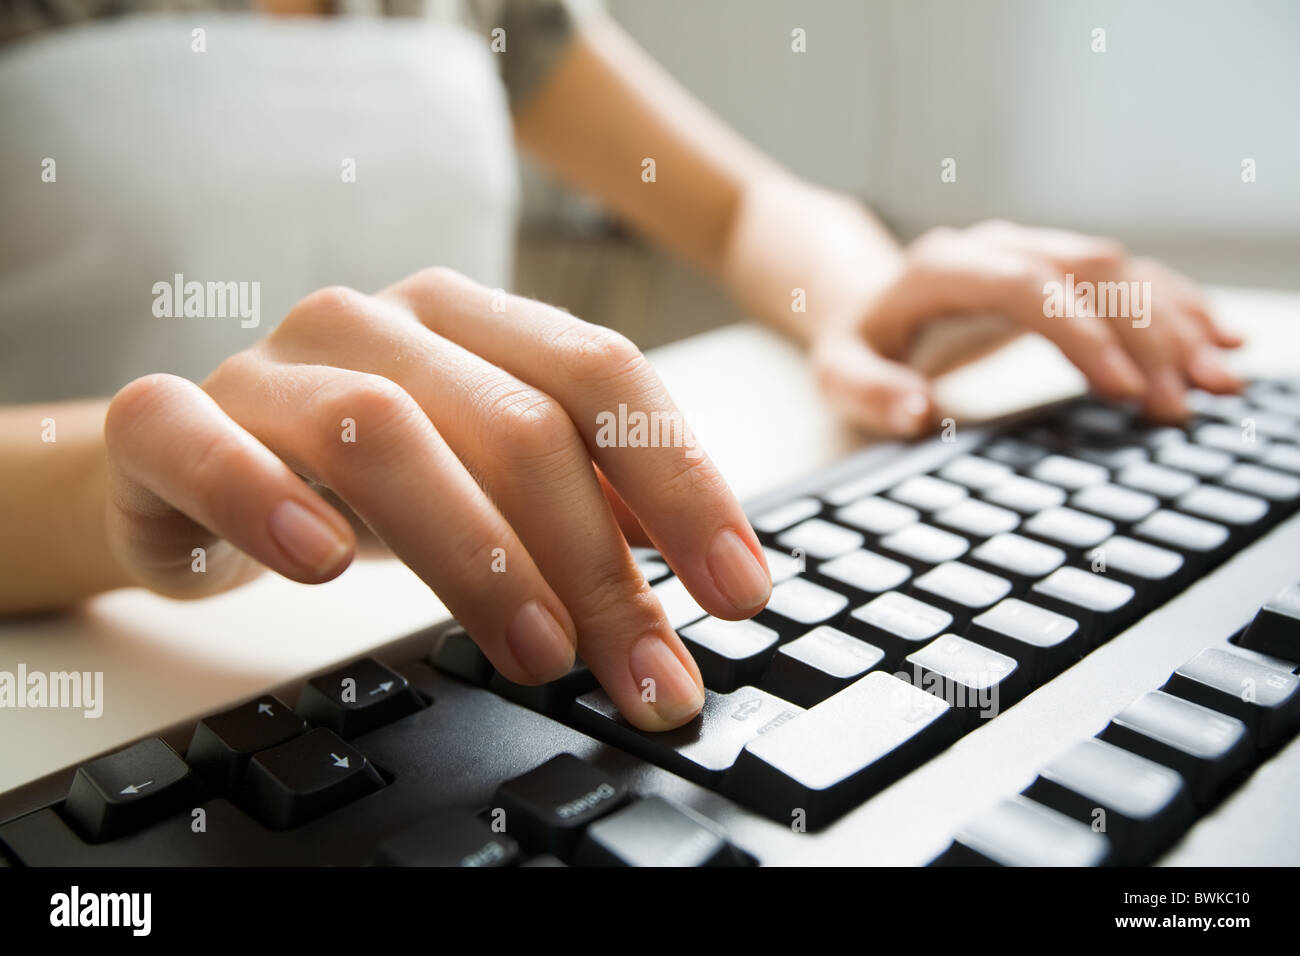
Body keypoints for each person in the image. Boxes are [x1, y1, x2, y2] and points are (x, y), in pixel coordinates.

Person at [0, 0, 1243, 733]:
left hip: (451, 625)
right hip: (83, 679)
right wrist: (125, 495)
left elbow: (740, 205)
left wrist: (860, 300)